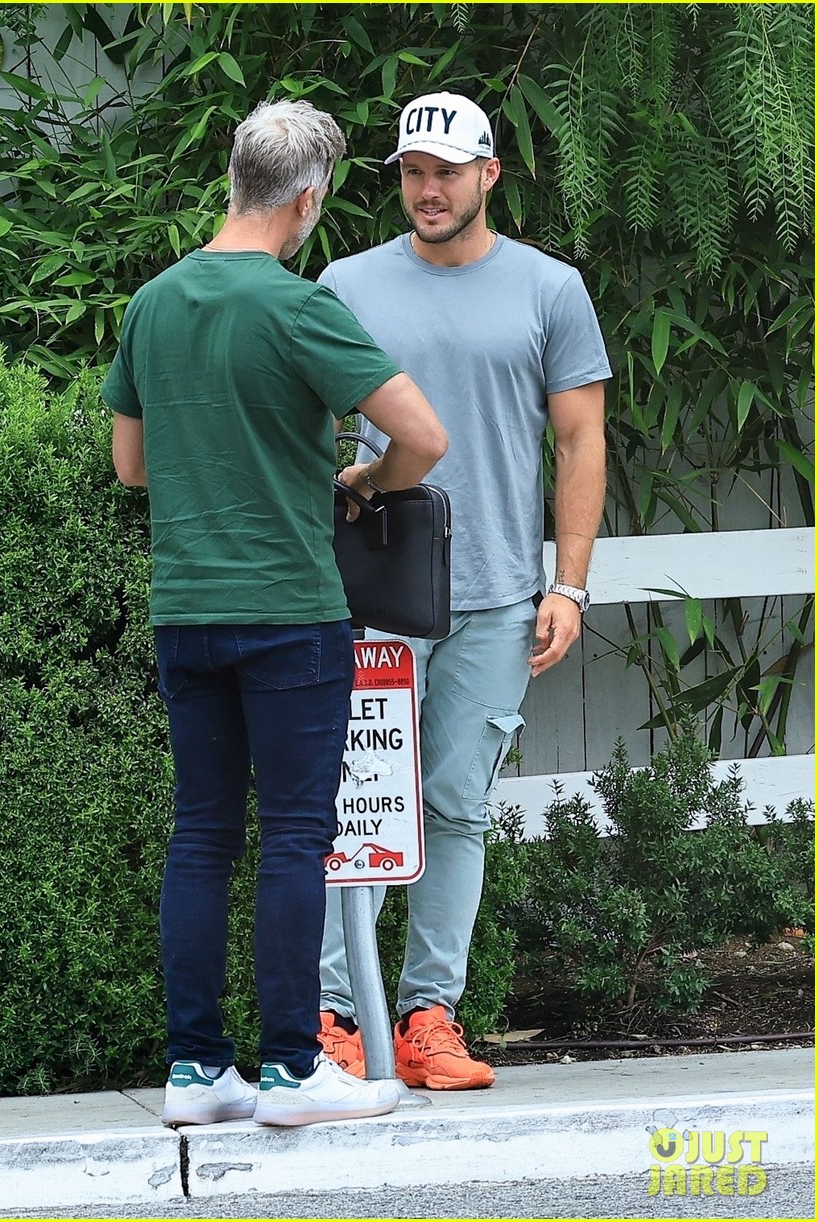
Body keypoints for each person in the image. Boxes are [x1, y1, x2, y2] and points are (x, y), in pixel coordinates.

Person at [101, 98, 447, 1127]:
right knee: (297, 834)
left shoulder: (153, 305)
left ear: (232, 181)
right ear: (308, 198)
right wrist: (358, 480)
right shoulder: (299, 309)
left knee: (200, 833)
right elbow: (421, 437)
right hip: (290, 608)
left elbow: (130, 465)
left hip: (186, 609)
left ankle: (195, 1072)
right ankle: (294, 1070)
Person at [317, 91, 611, 1090]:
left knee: (451, 802)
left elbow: (579, 439)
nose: (427, 188)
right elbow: (298, 424)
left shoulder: (548, 288)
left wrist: (567, 582)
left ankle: (426, 1016)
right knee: (348, 797)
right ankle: (332, 1017)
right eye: (411, 170)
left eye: (446, 170)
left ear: (488, 173)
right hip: (366, 587)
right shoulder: (344, 283)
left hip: (493, 591)